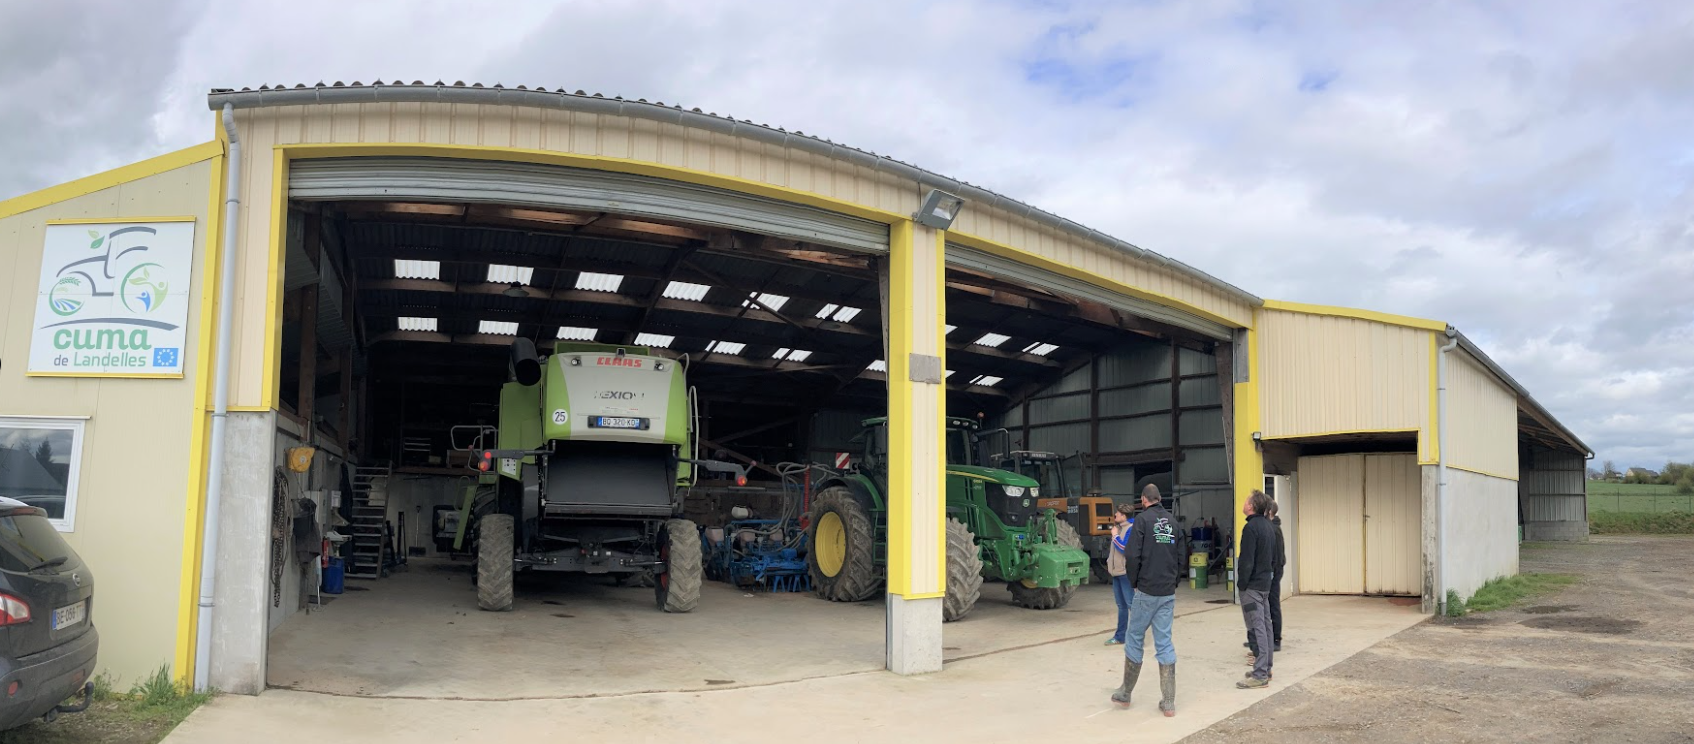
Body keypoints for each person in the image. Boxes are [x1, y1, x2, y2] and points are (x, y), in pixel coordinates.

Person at [1112, 484, 1185, 717]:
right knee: (1164, 641)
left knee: (1134, 637)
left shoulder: (1142, 521)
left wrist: (1134, 582)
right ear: (1159, 498)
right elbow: (1182, 555)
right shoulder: (1173, 523)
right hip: (1167, 592)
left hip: (1146, 590)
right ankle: (1169, 702)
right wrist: (1174, 582)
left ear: (1144, 500)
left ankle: (1125, 693)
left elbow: (1132, 555)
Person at [1236, 490, 1276, 689]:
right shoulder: (1268, 527)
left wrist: (1241, 584)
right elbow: (1274, 559)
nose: (1243, 503)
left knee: (1257, 627)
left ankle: (1260, 674)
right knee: (1266, 626)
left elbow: (1246, 561)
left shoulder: (1251, 528)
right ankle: (1266, 668)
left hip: (1252, 586)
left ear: (1251, 506)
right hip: (1265, 584)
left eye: (1245, 500)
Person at [1244, 499, 1286, 656]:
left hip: (1273, 571)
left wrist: (1271, 572)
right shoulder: (1269, 527)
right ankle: (1261, 639)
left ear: (1268, 512)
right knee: (1263, 607)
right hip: (1270, 571)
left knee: (1271, 604)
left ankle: (1275, 639)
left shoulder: (1273, 529)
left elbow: (1276, 555)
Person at [1105, 503, 1135, 646]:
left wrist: (1115, 535)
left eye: (1117, 513)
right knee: (1121, 605)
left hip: (1125, 573)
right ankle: (1120, 636)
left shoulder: (1131, 529)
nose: (1115, 515)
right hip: (1116, 572)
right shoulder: (1121, 528)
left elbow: (1124, 548)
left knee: (1131, 605)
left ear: (1123, 516)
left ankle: (1136, 637)